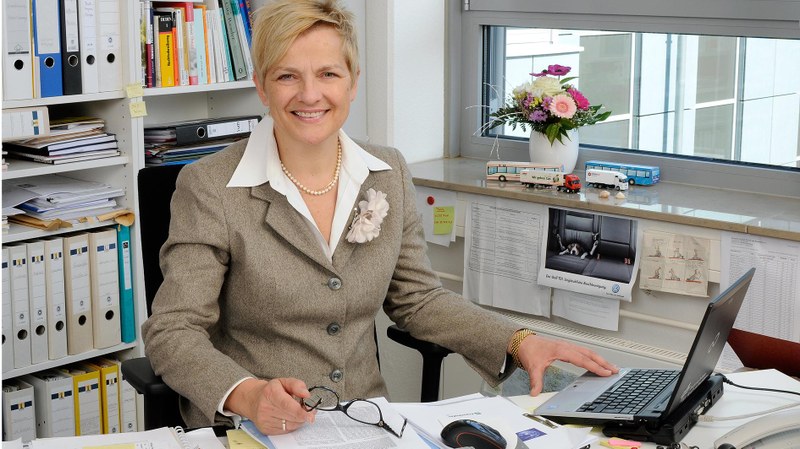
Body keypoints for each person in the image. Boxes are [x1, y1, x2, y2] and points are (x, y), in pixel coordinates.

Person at [142, 0, 617, 437]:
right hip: (255, 428)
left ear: (353, 80)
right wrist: (246, 394)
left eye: (328, 73)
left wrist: (518, 341)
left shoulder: (385, 172)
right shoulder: (211, 186)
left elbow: (418, 299)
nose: (310, 95)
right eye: (288, 76)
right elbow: (172, 331)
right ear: (262, 86)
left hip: (364, 419)